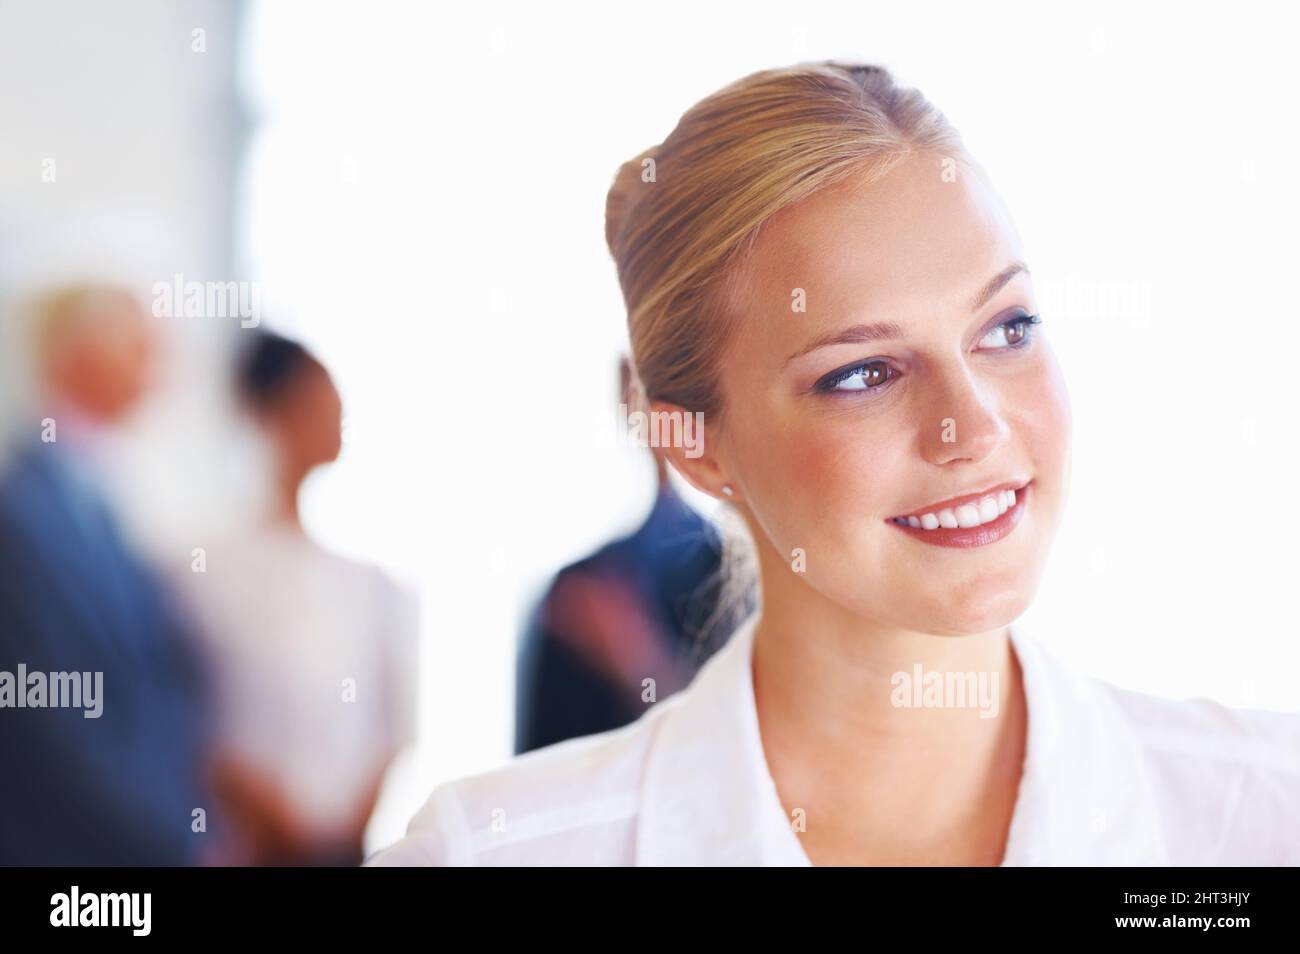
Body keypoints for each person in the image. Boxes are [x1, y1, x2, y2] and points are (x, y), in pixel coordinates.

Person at [368, 62, 1300, 866]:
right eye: (862, 373)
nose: (971, 427)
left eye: (1005, 327)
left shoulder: (1262, 820)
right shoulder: (494, 854)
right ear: (695, 446)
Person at [177, 329, 417, 865]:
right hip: (244, 845)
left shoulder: (368, 581)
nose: (335, 418)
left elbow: (394, 721)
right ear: (270, 413)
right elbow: (186, 715)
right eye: (316, 402)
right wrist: (262, 810)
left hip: (343, 846)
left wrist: (349, 817)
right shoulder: (200, 570)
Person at [0, 283, 213, 865]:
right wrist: (174, 837)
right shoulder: (18, 512)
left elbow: (157, 686)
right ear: (78, 353)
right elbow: (40, 719)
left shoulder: (106, 497)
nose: (156, 368)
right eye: (136, 344)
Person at [514, 358, 751, 753]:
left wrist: (635, 660)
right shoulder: (582, 585)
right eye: (635, 395)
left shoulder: (745, 575)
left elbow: (736, 738)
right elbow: (536, 760)